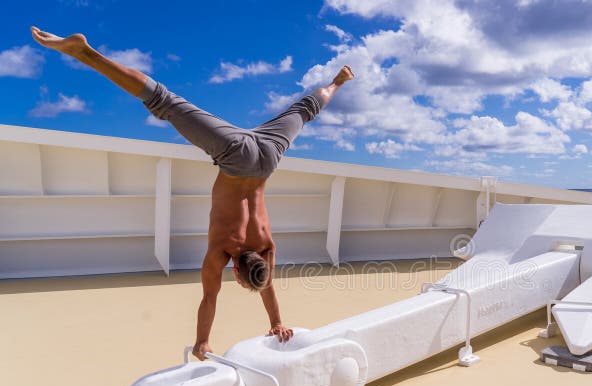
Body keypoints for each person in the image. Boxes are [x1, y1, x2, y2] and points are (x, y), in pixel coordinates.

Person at [30, 27, 354, 359]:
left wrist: (277, 322)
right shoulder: (223, 248)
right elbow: (209, 299)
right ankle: (84, 52)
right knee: (164, 102)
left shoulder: (267, 246)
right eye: (240, 283)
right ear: (238, 270)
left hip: (268, 158)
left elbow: (266, 284)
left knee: (302, 112)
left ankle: (338, 81)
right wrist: (202, 342)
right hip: (237, 156)